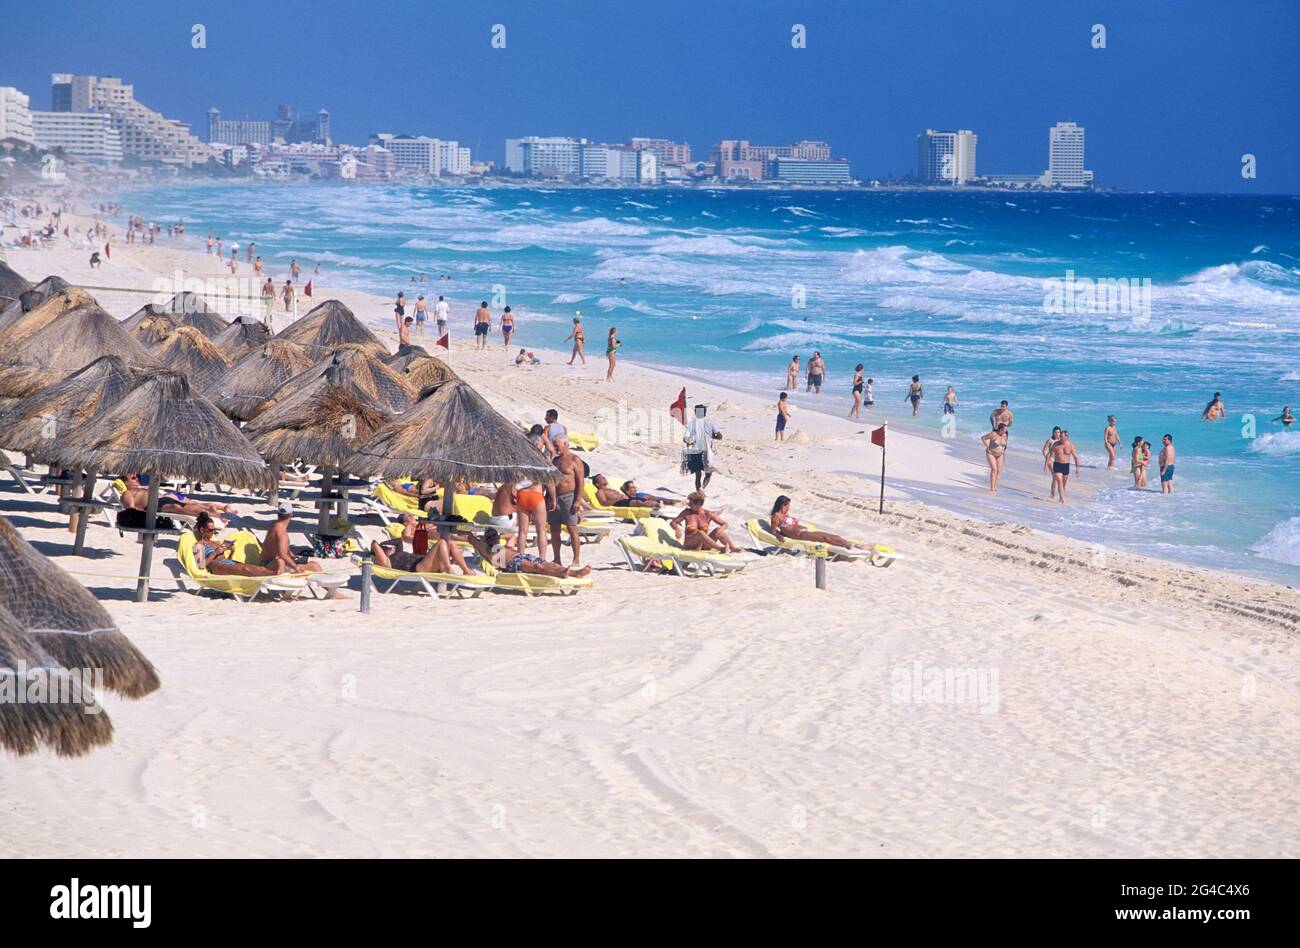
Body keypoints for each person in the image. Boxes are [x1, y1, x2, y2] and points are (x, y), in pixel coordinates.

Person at [259, 503, 346, 598]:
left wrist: (294, 557)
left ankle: (333, 593)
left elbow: (283, 550)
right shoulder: (281, 531)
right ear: (291, 515)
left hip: (269, 562)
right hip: (272, 565)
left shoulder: (275, 526)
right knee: (312, 567)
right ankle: (286, 592)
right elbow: (282, 554)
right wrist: (296, 567)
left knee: (314, 565)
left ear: (278, 514)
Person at [369, 514, 476, 576]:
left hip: (425, 561)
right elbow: (374, 543)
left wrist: (389, 546)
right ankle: (449, 569)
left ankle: (466, 570)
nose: (389, 549)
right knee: (442, 542)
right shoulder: (385, 562)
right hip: (419, 568)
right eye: (385, 549)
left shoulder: (397, 553)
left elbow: (398, 541)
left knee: (450, 542)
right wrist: (380, 547)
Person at [468, 528, 591, 580]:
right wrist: (481, 539)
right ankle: (561, 574)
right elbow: (471, 539)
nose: (493, 537)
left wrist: (499, 536)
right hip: (512, 563)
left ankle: (575, 573)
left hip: (522, 556)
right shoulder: (487, 550)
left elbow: (512, 535)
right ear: (486, 539)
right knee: (538, 567)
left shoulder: (505, 546)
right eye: (490, 536)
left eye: (495, 534)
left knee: (550, 564)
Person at [193, 513, 282, 577]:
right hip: (219, 568)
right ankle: (274, 575)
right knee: (246, 569)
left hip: (229, 564)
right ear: (202, 530)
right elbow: (200, 566)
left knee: (251, 567)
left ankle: (276, 572)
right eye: (210, 530)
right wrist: (214, 553)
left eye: (214, 530)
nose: (213, 532)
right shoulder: (198, 545)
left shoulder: (216, 542)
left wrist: (232, 551)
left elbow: (226, 559)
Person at [121, 474, 234, 521]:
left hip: (164, 498)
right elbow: (131, 509)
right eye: (133, 478)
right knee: (181, 506)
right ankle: (220, 512)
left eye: (137, 477)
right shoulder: (126, 493)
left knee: (192, 504)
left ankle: (221, 510)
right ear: (125, 482)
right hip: (155, 504)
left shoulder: (141, 488)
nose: (137, 479)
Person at [769, 495, 867, 549]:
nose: (789, 507)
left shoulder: (786, 515)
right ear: (782, 505)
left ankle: (853, 544)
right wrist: (779, 536)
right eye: (787, 505)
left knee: (833, 536)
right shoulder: (776, 517)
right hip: (800, 535)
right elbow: (772, 531)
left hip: (805, 532)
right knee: (825, 538)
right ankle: (847, 545)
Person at [547, 437, 585, 565]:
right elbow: (550, 480)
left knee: (571, 527)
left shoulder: (575, 460)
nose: (555, 448)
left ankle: (576, 559)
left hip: (569, 497)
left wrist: (577, 500)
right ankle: (557, 558)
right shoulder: (555, 461)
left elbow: (581, 482)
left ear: (566, 444)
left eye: (557, 445)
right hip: (554, 498)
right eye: (554, 446)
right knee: (554, 528)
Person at [670, 492, 740, 553]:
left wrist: (721, 530)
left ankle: (733, 548)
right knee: (700, 533)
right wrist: (676, 528)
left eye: (691, 503)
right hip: (690, 544)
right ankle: (720, 548)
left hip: (704, 545)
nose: (689, 505)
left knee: (718, 530)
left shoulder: (707, 514)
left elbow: (725, 524)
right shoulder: (686, 513)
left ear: (698, 505)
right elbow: (673, 522)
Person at [683, 404, 721, 491]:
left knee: (698, 474)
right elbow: (720, 436)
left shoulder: (691, 424)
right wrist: (712, 436)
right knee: (708, 473)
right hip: (708, 452)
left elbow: (686, 439)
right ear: (705, 413)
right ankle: (702, 488)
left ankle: (698, 490)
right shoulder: (710, 423)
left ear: (696, 413)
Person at [1049, 429, 1080, 504]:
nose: (1060, 437)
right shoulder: (1056, 444)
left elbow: (1075, 457)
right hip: (1057, 464)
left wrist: (1077, 468)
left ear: (1066, 437)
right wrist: (1046, 464)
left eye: (1062, 436)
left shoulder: (1070, 445)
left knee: (1063, 484)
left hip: (1066, 465)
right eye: (1060, 436)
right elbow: (1049, 454)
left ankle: (1060, 498)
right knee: (1059, 480)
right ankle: (1063, 499)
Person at [981, 423, 1008, 493]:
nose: (1005, 431)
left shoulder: (1005, 436)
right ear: (1000, 429)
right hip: (991, 453)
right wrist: (987, 446)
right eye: (1004, 430)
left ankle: (995, 486)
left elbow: (1005, 445)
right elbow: (983, 438)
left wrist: (1003, 450)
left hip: (1000, 454)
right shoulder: (993, 434)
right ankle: (992, 487)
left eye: (1006, 430)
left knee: (999, 471)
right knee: (994, 469)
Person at [1042, 426, 1063, 498]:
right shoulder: (1050, 440)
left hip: (1058, 461)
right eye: (1055, 432)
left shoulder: (1061, 441)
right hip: (1051, 460)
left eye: (1058, 432)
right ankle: (1053, 494)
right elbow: (1044, 450)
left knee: (1056, 477)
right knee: (1055, 476)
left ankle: (1053, 494)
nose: (1057, 434)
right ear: (1053, 433)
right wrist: (1047, 459)